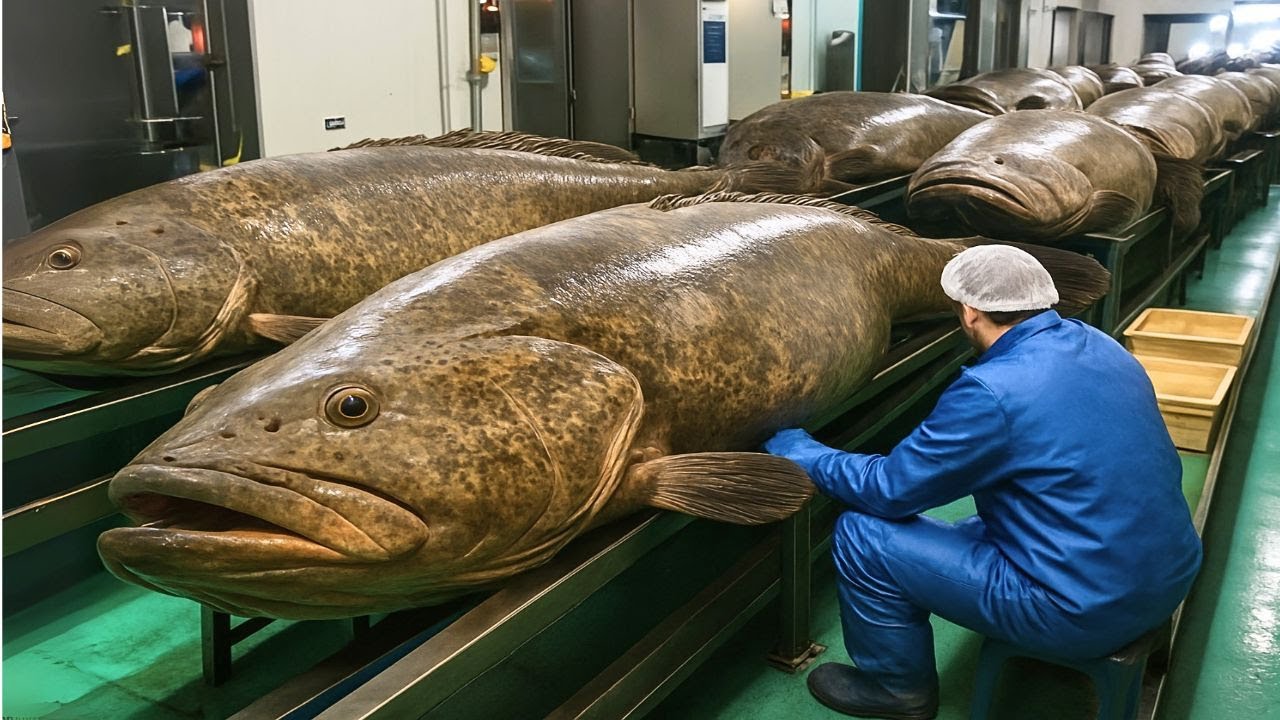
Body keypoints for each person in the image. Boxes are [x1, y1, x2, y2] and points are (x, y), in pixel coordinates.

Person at [764, 245, 1202, 719]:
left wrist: (800, 450)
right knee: (979, 521)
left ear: (970, 312)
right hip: (1170, 572)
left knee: (862, 535)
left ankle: (895, 690)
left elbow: (888, 490)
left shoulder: (991, 391)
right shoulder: (1100, 344)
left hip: (1081, 610)